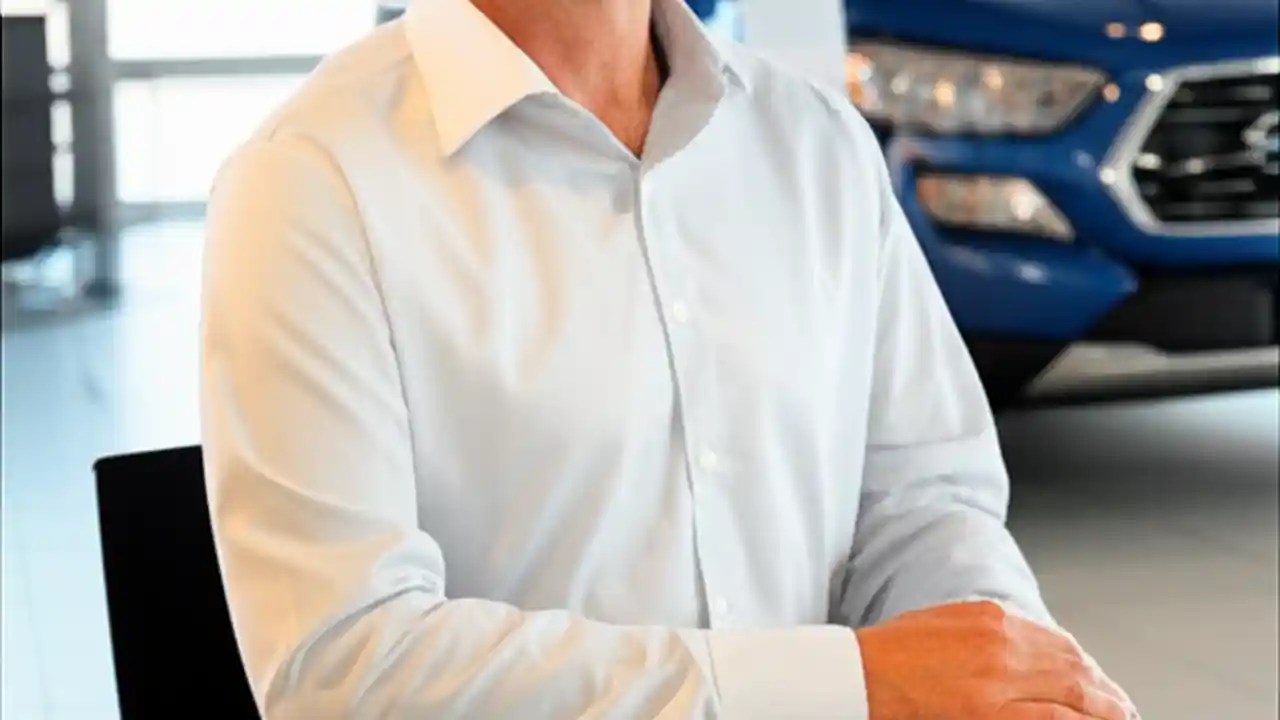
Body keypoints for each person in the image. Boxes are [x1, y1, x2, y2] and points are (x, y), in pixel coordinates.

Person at [201, 0, 1138, 717]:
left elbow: (919, 503)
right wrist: (844, 687)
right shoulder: (311, 182)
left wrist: (1006, 677)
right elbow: (342, 665)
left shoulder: (814, 144)